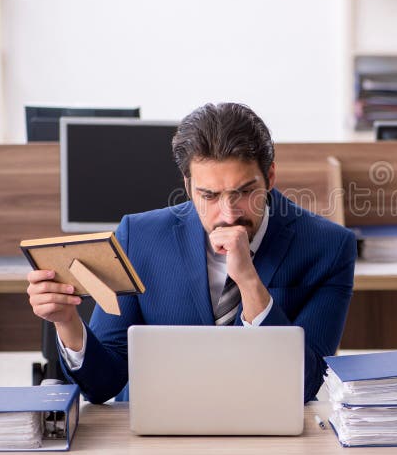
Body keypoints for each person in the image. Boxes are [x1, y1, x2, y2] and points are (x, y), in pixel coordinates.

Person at [26, 103, 356, 403]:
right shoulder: (139, 238)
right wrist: (67, 322)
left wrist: (249, 284)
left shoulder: (328, 247)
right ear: (188, 187)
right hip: (159, 428)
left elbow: (303, 385)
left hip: (269, 426)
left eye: (243, 192)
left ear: (269, 177)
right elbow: (103, 385)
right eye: (209, 196)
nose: (228, 214)